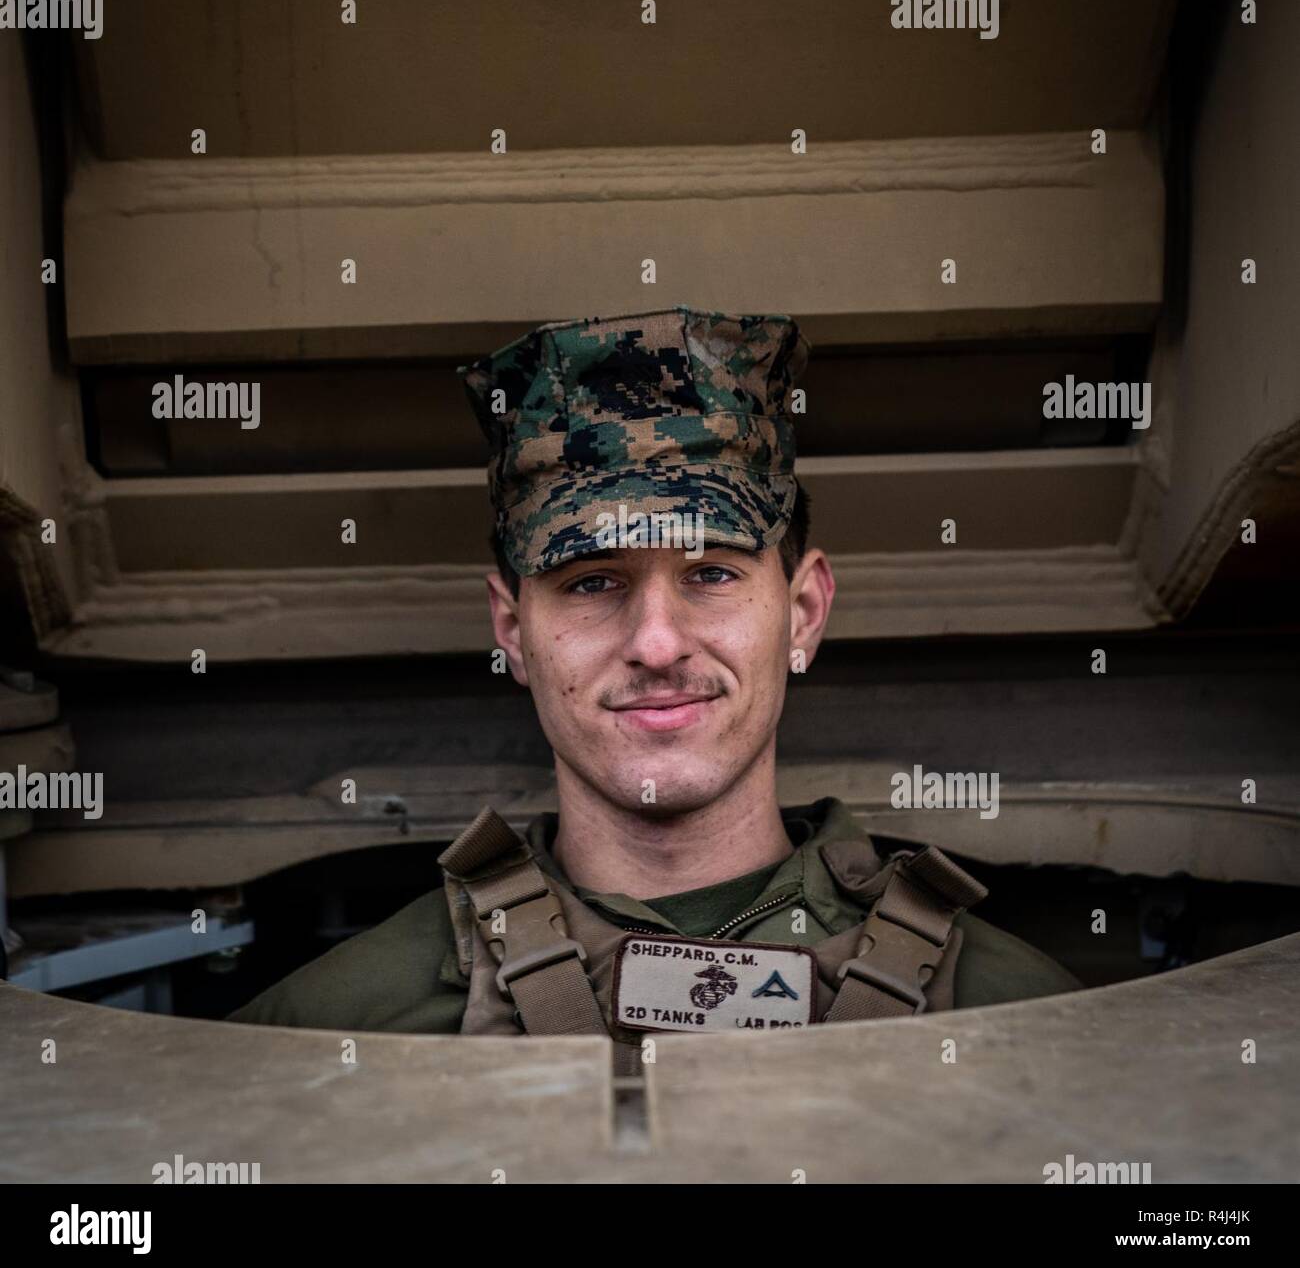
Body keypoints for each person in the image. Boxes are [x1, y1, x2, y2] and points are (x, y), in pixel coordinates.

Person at [228, 306, 1079, 1047]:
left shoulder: (1026, 1020)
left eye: (711, 572)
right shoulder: (326, 1032)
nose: (659, 643)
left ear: (805, 611)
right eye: (591, 581)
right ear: (513, 631)